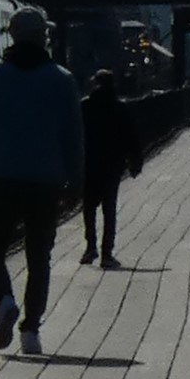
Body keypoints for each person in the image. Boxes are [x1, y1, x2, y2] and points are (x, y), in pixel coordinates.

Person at [0, 5, 83, 357]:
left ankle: (4, 299)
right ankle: (31, 331)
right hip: (46, 183)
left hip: (2, 180)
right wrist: (76, 182)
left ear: (12, 36)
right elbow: (74, 137)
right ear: (43, 37)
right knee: (39, 257)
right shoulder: (62, 79)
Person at [77, 69, 139, 267]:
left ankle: (90, 246)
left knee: (89, 207)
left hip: (90, 162)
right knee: (109, 209)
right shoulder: (120, 107)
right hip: (113, 163)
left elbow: (75, 134)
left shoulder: (85, 106)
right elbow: (131, 136)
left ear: (94, 83)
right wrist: (135, 161)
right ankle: (107, 253)